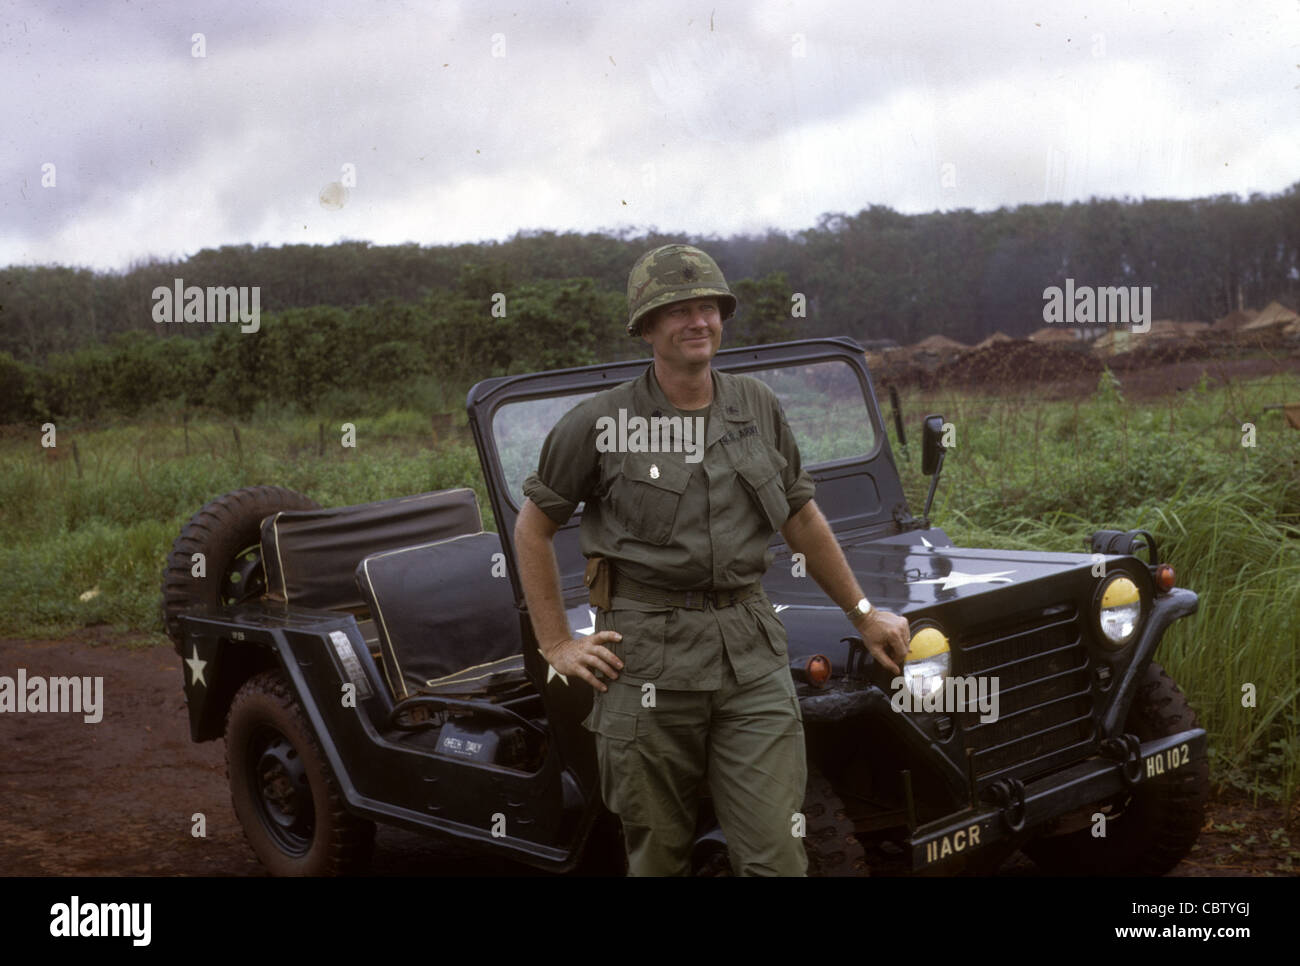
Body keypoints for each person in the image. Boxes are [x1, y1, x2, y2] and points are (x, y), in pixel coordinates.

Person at [514, 243, 910, 876]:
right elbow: (533, 529)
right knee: (659, 855)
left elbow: (801, 517)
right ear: (647, 327)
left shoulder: (755, 406)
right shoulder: (600, 423)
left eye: (708, 307)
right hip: (646, 666)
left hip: (750, 657)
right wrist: (557, 643)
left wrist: (863, 614)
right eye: (678, 310)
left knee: (779, 855)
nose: (697, 321)